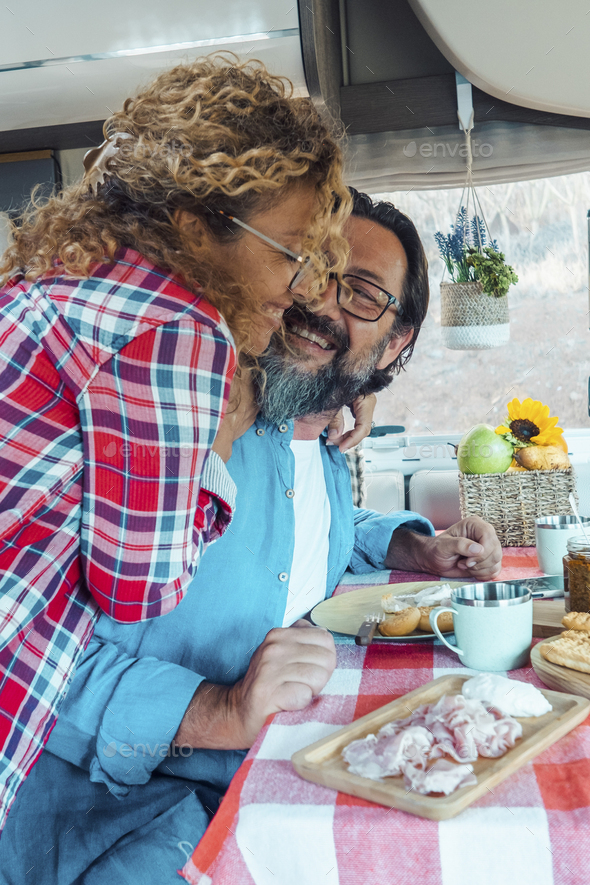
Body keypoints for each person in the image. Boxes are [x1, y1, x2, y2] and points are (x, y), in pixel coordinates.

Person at [0, 191, 501, 884]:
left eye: (360, 293)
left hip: (257, 793)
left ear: (396, 342)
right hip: (109, 825)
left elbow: (316, 531)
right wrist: (216, 711)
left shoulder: (321, 454)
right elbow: (25, 653)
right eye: (318, 269)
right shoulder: (184, 425)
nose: (323, 302)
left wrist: (410, 544)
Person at [0, 55, 354, 832]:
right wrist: (219, 439)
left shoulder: (65, 285)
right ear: (197, 225)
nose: (302, 283)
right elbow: (140, 588)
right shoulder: (178, 331)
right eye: (293, 251)